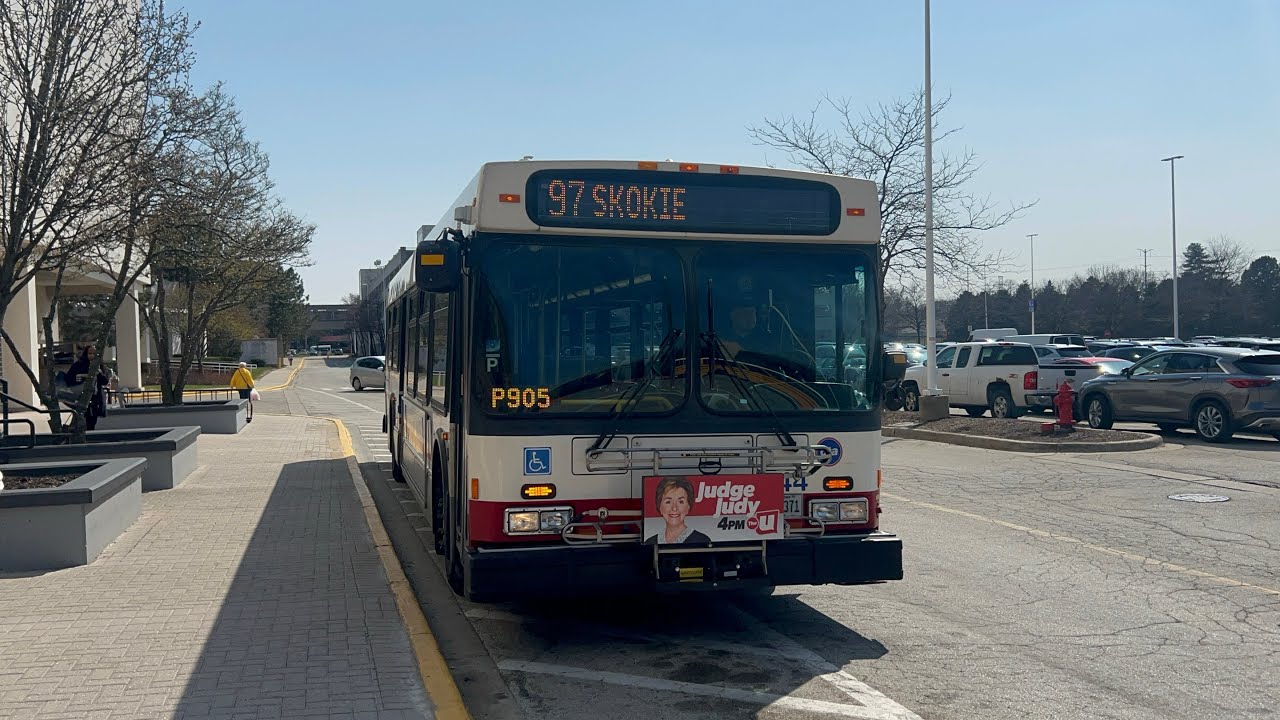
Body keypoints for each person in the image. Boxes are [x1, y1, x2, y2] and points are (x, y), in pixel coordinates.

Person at [644, 476, 711, 545]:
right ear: (659, 506)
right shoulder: (650, 542)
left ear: (688, 506)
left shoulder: (703, 540)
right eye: (668, 502)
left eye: (681, 502)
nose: (674, 508)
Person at [67, 346, 110, 430]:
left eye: (94, 354)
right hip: (81, 396)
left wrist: (99, 373)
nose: (92, 356)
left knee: (92, 420)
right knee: (81, 418)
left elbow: (105, 381)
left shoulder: (99, 366)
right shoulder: (79, 365)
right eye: (90, 353)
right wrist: (81, 376)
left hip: (95, 397)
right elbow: (70, 378)